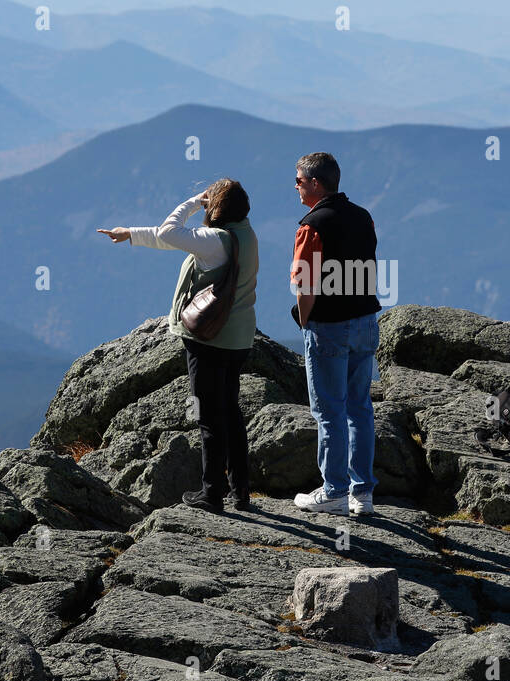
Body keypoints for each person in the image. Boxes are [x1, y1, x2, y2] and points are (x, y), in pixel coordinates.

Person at [97, 179, 259, 513]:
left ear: (215, 206)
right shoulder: (244, 234)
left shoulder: (215, 240)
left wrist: (192, 202)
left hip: (210, 339)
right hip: (239, 338)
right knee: (230, 411)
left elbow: (171, 231)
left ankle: (211, 494)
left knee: (208, 417)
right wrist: (131, 233)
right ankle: (240, 491)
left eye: (209, 201)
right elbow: (173, 239)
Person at [289, 152, 382, 516]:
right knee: (360, 407)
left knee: (329, 409)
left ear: (315, 183)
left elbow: (304, 283)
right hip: (366, 319)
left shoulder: (311, 226)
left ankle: (334, 491)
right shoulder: (363, 216)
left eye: (298, 180)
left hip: (330, 325)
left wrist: (305, 321)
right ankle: (363, 493)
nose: (295, 186)